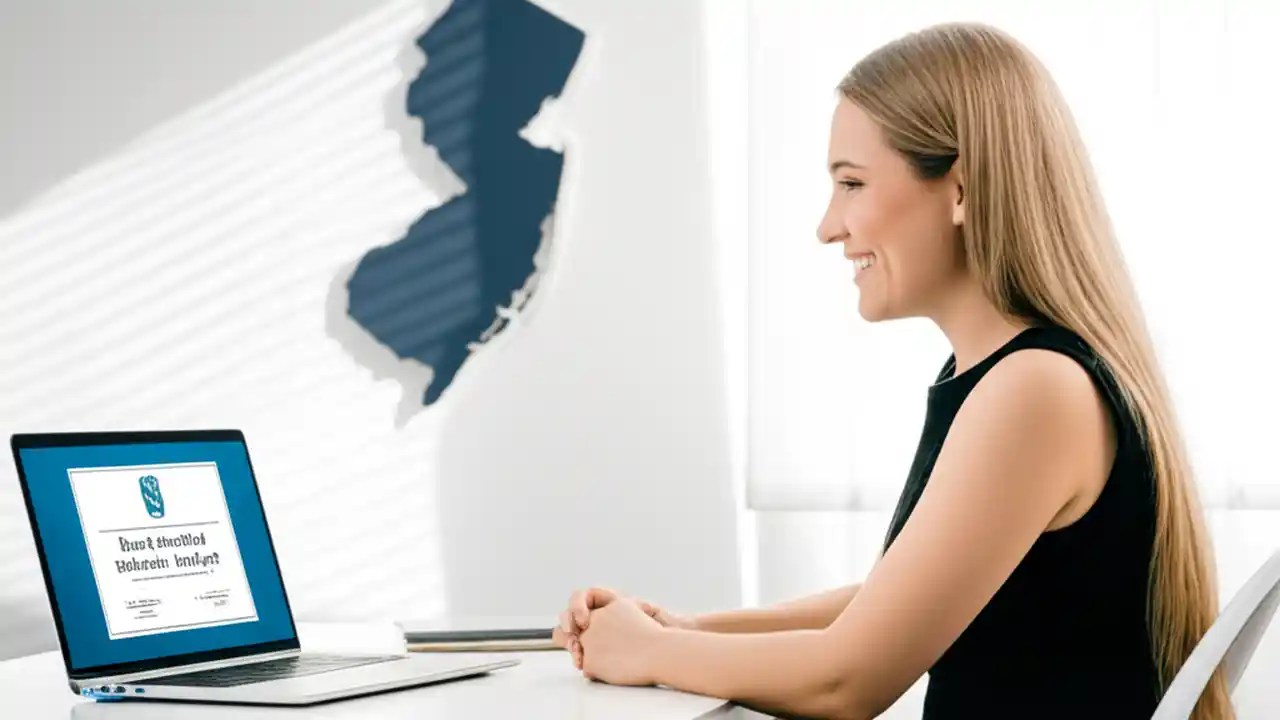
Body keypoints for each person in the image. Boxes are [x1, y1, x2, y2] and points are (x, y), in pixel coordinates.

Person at [550, 22, 1231, 720]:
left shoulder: (1036, 391)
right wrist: (684, 630)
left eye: (851, 183)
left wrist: (649, 654)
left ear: (960, 188)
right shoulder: (1008, 374)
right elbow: (893, 604)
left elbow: (848, 680)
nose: (827, 226)